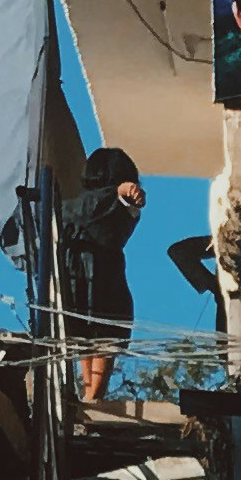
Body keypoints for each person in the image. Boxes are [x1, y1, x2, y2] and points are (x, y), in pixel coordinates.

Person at [58, 144, 144, 404]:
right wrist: (118, 192)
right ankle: (90, 396)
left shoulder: (116, 206)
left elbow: (123, 206)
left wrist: (122, 193)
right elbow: (82, 209)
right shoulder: (81, 207)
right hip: (88, 284)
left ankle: (92, 398)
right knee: (89, 342)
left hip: (101, 285)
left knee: (102, 342)